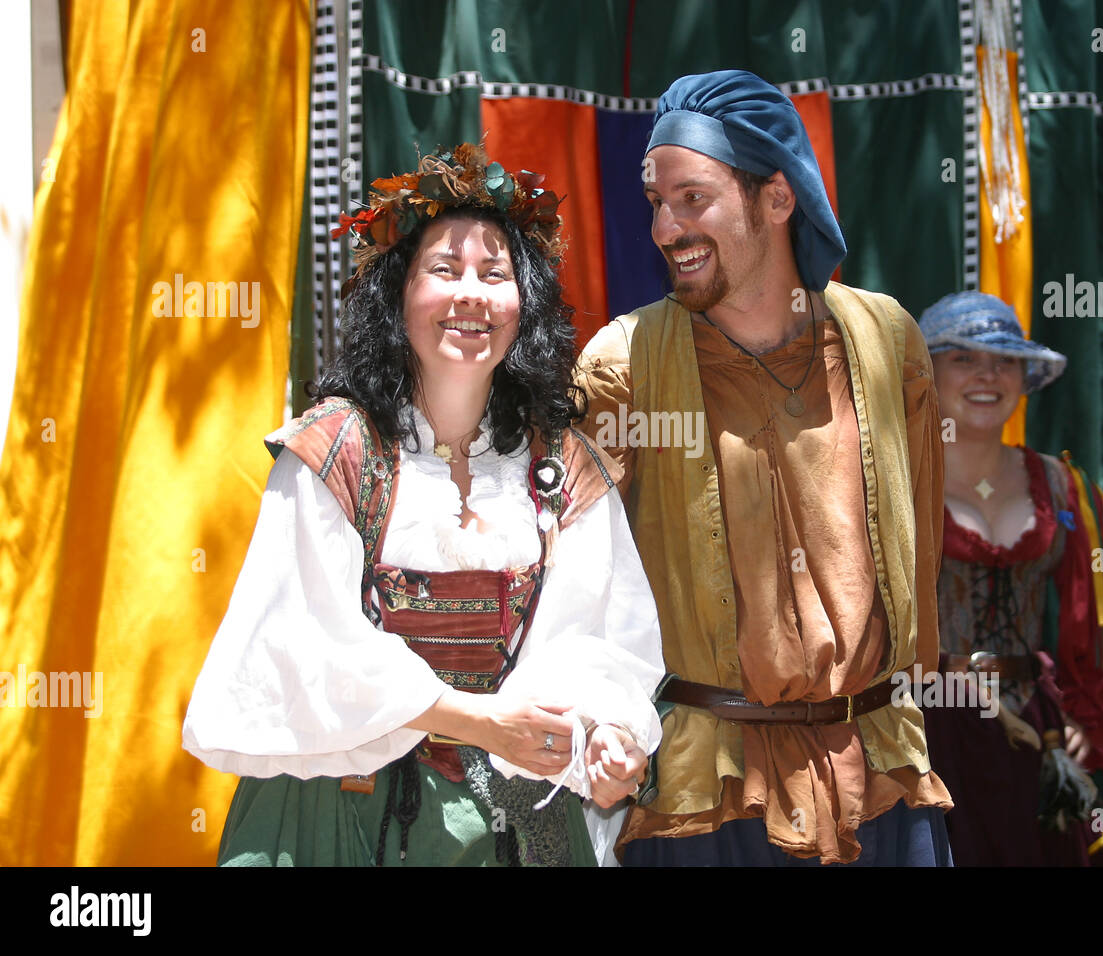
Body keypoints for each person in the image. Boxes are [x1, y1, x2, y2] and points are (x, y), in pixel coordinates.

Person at [183, 144, 664, 867]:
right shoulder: (334, 451)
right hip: (337, 815)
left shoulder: (562, 467)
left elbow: (607, 650)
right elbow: (303, 646)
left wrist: (608, 739)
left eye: (495, 274)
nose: (471, 294)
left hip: (507, 824)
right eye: (443, 270)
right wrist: (479, 720)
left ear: (522, 303)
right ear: (397, 295)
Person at [575, 70, 952, 866]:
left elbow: (922, 560)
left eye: (692, 198)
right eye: (655, 204)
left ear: (777, 199)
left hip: (880, 784)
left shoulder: (888, 343)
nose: (665, 228)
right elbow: (579, 592)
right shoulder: (624, 365)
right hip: (706, 802)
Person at [916, 290, 1103, 865]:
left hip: (1036, 732)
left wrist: (1084, 710)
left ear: (1025, 378)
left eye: (1004, 361)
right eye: (964, 358)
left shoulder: (1063, 488)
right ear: (926, 373)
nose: (987, 375)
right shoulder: (895, 485)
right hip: (928, 736)